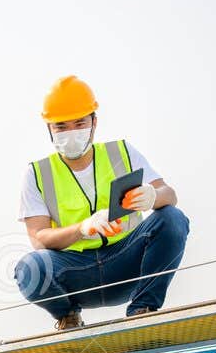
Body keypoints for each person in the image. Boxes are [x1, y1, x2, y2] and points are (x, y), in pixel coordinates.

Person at [15, 75, 189, 331]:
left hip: (127, 262)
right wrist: (82, 228)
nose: (71, 133)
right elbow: (39, 239)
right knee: (30, 268)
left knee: (172, 218)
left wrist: (153, 196)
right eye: (61, 126)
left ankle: (143, 309)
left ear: (94, 123)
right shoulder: (37, 173)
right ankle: (68, 316)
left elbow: (169, 195)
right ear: (49, 128)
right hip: (77, 272)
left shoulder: (122, 152)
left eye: (79, 123)